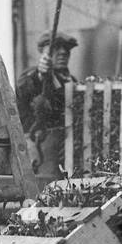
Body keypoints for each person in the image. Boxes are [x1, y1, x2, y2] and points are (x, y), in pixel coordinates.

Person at [14, 31, 78, 176]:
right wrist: (41, 74)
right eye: (55, 48)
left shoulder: (71, 81)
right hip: (41, 150)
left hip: (66, 149)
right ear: (43, 53)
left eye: (66, 50)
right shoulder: (31, 76)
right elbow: (26, 89)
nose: (62, 53)